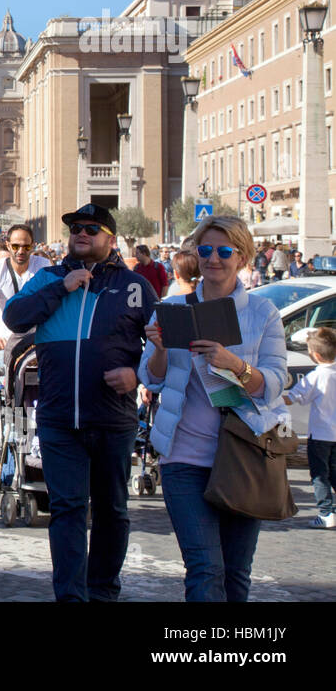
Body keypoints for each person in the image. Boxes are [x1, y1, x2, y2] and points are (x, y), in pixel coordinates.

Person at [3, 204, 157, 602]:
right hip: (58, 419)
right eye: (74, 228)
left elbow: (164, 347)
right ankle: (70, 597)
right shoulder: (48, 277)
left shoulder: (135, 286)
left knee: (111, 511)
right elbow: (15, 316)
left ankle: (103, 591)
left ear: (110, 237)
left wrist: (137, 374)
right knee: (68, 509)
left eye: (91, 228)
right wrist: (62, 286)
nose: (81, 233)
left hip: (113, 419)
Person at [139, 215, 288, 601]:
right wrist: (158, 348)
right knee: (205, 568)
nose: (214, 259)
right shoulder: (171, 307)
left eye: (224, 251)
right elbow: (151, 379)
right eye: (205, 250)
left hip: (242, 455)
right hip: (183, 457)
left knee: (237, 574)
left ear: (242, 257)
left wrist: (235, 365)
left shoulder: (263, 313)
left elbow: (271, 386)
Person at [0, 226, 49, 411]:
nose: (21, 251)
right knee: (3, 400)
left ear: (33, 246)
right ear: (8, 246)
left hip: (34, 344)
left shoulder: (43, 266)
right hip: (3, 342)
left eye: (26, 247)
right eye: (16, 246)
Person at [284, 327, 336, 529]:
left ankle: (325, 513)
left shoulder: (316, 376)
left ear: (314, 355)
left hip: (321, 435)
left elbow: (294, 397)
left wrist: (272, 399)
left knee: (319, 475)